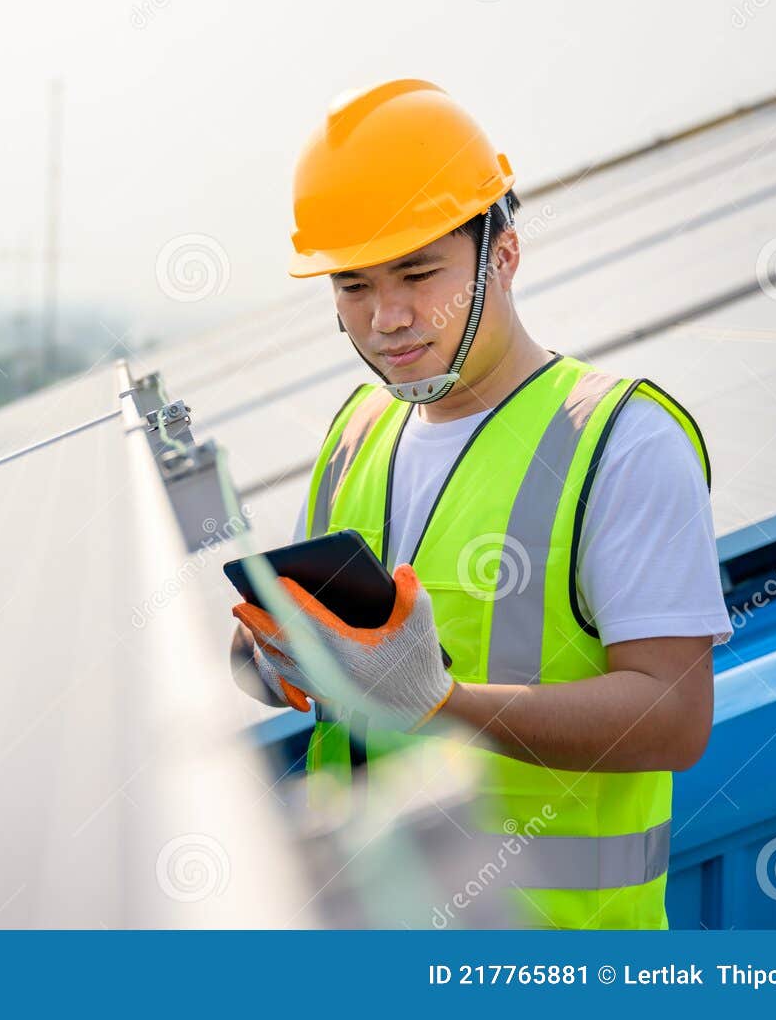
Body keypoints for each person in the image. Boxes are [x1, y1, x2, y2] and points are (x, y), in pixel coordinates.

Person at [229, 78, 732, 929]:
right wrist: (269, 659)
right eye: (352, 286)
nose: (387, 317)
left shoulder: (622, 440)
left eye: (419, 272)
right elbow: (314, 669)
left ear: (502, 253)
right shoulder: (357, 432)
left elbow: (675, 718)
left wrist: (438, 700)